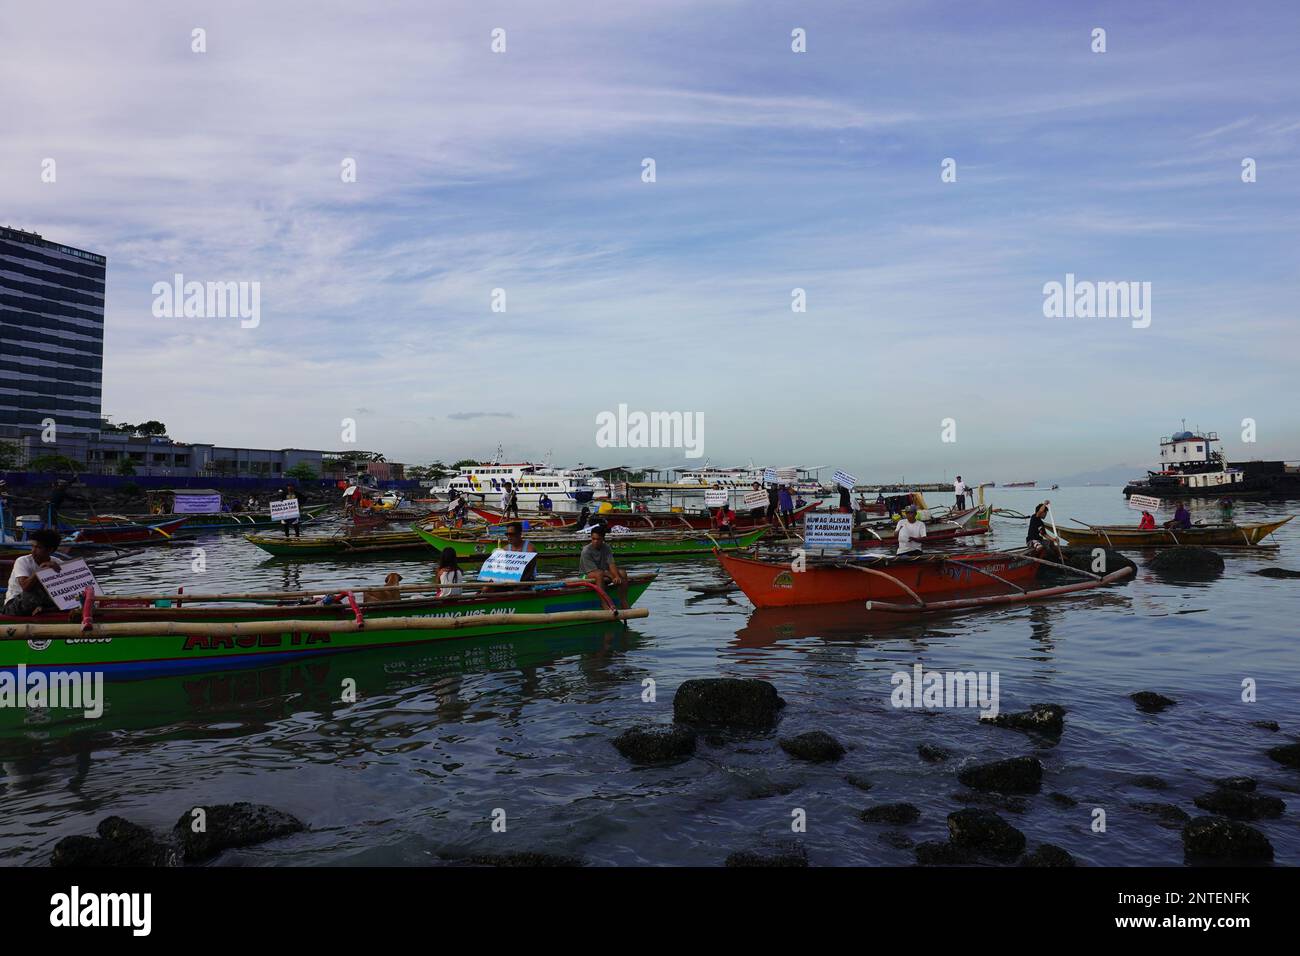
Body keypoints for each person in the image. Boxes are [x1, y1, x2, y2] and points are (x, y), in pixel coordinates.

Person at [3, 529, 62, 616]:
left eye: (38, 547)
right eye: (33, 546)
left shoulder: (58, 563)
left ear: (50, 550)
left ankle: (45, 610)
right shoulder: (22, 561)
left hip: (41, 602)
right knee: (34, 593)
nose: (33, 550)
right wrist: (40, 571)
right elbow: (25, 587)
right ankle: (46, 609)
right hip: (14, 604)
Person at [579, 525, 629, 608]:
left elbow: (611, 564)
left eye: (598, 539)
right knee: (599, 574)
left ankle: (623, 601)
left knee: (622, 573)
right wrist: (612, 576)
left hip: (603, 572)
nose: (595, 541)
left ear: (603, 539)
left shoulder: (606, 547)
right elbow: (595, 571)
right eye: (593, 539)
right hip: (585, 575)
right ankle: (603, 603)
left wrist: (617, 576)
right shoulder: (586, 551)